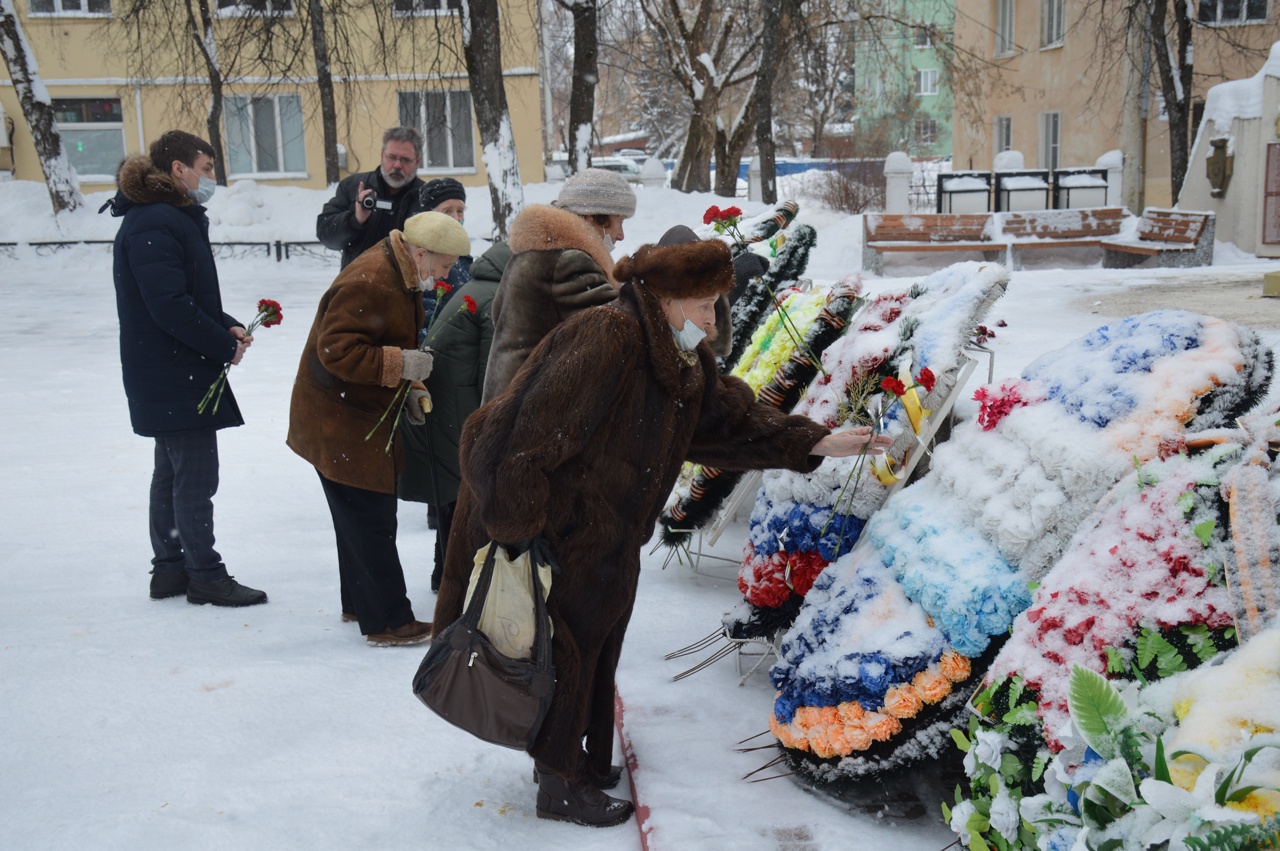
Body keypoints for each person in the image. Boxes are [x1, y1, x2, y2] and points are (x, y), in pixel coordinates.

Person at [433, 239, 892, 826]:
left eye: (716, 304)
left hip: (608, 535)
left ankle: (583, 758)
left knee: (595, 644)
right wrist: (520, 528)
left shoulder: (679, 356)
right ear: (664, 298)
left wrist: (816, 440)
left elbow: (728, 421)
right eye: (702, 305)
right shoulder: (607, 337)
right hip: (557, 526)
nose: (711, 319)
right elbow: (506, 435)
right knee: (564, 648)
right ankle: (557, 785)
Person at [287, 211, 470, 646]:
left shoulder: (398, 266)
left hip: (351, 415)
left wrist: (405, 384)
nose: (447, 274)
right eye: (445, 265)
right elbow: (337, 350)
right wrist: (400, 366)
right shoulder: (372, 278)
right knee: (370, 517)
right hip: (339, 421)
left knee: (356, 517)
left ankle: (361, 602)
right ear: (422, 253)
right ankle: (388, 621)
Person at [103, 130, 268, 607]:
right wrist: (221, 346)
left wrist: (229, 326)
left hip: (167, 368)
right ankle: (205, 575)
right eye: (207, 168)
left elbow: (187, 297)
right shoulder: (155, 221)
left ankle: (171, 569)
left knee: (172, 473)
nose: (212, 178)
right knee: (194, 475)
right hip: (174, 370)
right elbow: (170, 307)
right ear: (179, 169)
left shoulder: (162, 218)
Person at [398, 239, 512, 592]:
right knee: (464, 500)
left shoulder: (477, 287)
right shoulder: (495, 297)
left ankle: (444, 574)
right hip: (458, 412)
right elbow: (492, 374)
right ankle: (455, 580)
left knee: (452, 498)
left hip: (445, 407)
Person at [481, 167, 636, 402]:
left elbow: (498, 315)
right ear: (590, 217)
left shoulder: (535, 253)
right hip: (530, 411)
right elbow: (620, 321)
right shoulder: (566, 260)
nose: (621, 235)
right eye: (619, 222)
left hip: (510, 403)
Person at [316, 127, 429, 269]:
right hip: (357, 285)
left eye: (405, 160)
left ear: (417, 161)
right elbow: (327, 237)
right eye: (392, 157)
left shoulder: (427, 197)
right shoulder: (352, 186)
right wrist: (355, 220)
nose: (397, 165)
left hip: (409, 288)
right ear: (382, 155)